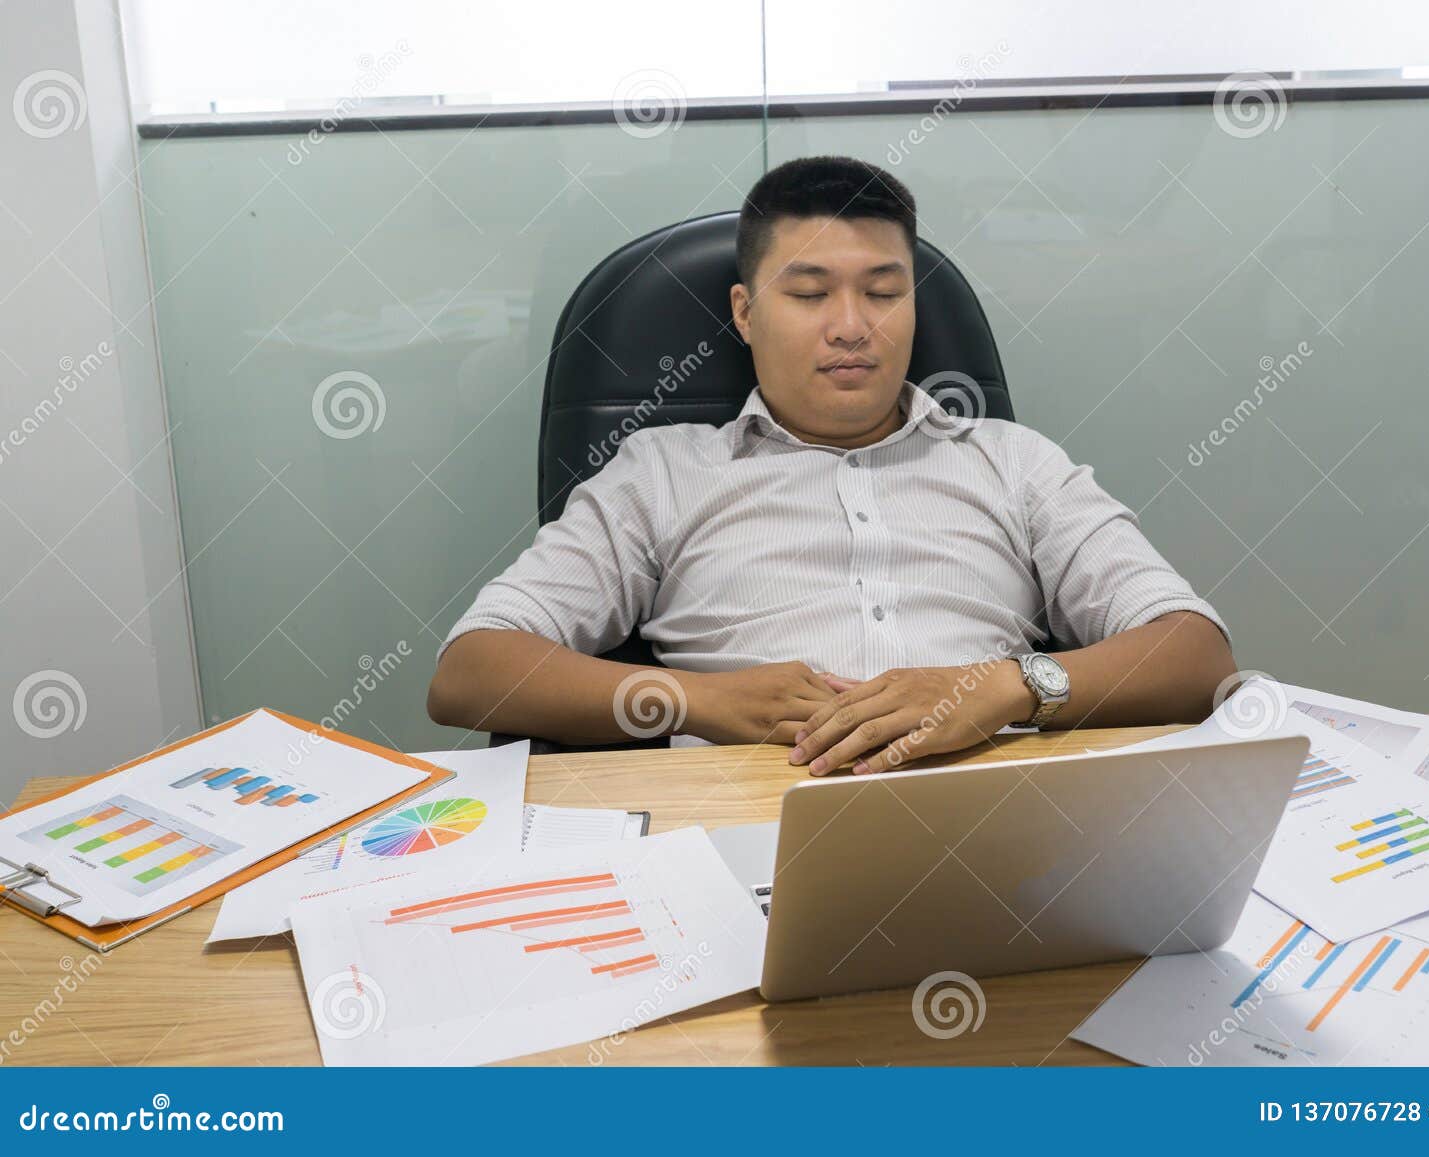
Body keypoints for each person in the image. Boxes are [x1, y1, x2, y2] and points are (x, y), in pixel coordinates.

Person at [428, 155, 1236, 775]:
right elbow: (470, 672)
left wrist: (1001, 687)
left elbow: (1197, 656)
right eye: (810, 294)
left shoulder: (1011, 461)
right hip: (748, 814)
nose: (852, 326)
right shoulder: (663, 472)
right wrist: (701, 701)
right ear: (745, 313)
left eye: (883, 293)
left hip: (1000, 806)